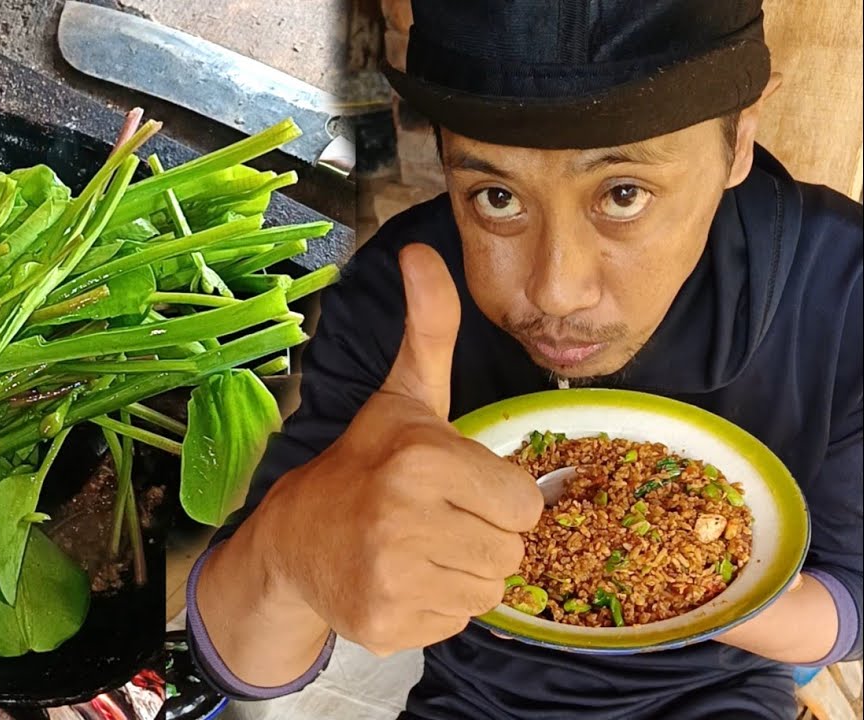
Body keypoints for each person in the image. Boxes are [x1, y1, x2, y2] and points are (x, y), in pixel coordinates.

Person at [184, 1, 863, 718]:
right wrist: (288, 552)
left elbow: (851, 595)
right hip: (473, 700)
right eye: (497, 197)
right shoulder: (403, 293)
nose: (555, 290)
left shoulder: (841, 287)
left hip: (722, 695)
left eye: (623, 195)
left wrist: (687, 577)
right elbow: (238, 659)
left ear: (740, 140)